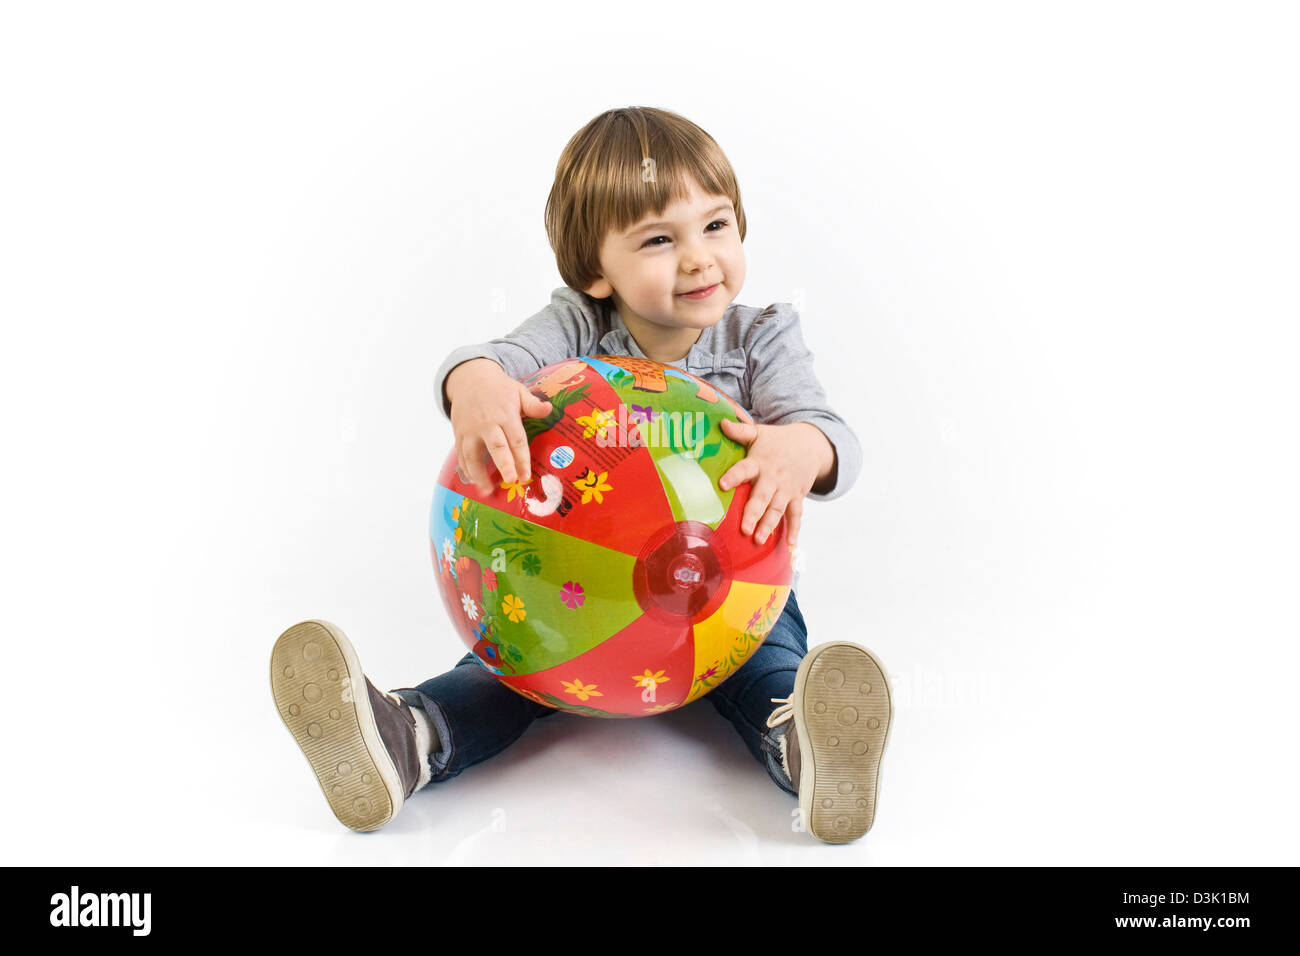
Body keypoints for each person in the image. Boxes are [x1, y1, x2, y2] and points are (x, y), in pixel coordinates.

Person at [271, 106, 893, 844]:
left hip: (733, 596)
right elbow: (494, 359)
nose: (699, 258)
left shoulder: (759, 336)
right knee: (505, 675)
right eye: (660, 239)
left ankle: (803, 746)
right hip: (572, 603)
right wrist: (469, 380)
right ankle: (406, 739)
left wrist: (804, 448)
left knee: (771, 666)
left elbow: (834, 437)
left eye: (716, 226)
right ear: (596, 270)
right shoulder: (576, 327)